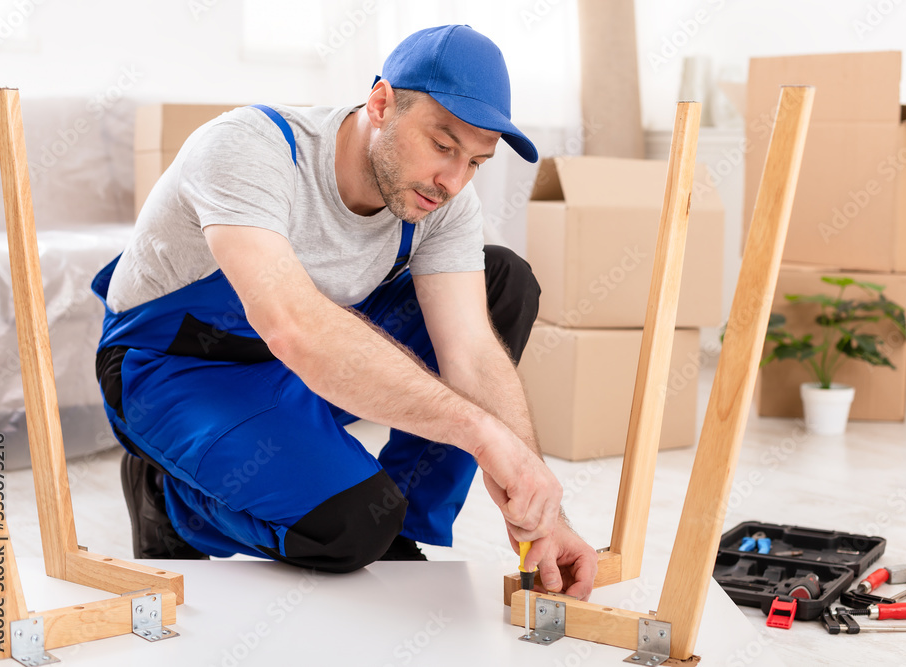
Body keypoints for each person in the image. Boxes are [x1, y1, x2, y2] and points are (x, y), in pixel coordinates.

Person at [91, 24, 598, 600]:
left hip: (307, 358)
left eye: (476, 163)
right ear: (381, 103)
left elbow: (473, 352)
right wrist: (482, 435)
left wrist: (541, 506)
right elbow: (293, 325)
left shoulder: (441, 200)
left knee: (502, 280)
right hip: (177, 367)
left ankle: (401, 530)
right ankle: (171, 497)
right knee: (349, 529)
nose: (453, 181)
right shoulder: (251, 148)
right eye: (442, 145)